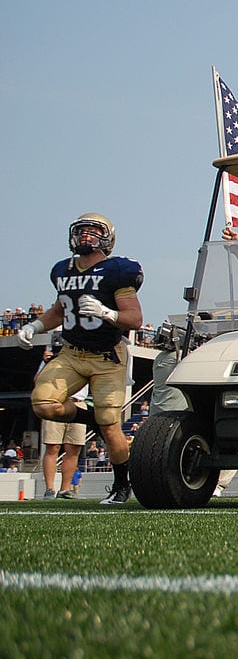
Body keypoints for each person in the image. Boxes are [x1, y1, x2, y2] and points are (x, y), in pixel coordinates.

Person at [20, 214, 144, 505]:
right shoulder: (61, 270)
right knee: (43, 404)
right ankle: (92, 416)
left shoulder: (117, 270)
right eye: (82, 231)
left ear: (106, 238)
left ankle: (121, 485)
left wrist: (107, 313)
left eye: (92, 232)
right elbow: (59, 311)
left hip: (107, 356)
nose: (86, 236)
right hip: (72, 353)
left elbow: (135, 318)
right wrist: (35, 326)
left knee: (111, 427)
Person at [37, 337, 87, 499]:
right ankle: (50, 488)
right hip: (55, 402)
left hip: (78, 402)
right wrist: (46, 363)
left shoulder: (86, 357)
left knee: (74, 448)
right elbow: (37, 381)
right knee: (53, 446)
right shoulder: (52, 361)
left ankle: (65, 489)